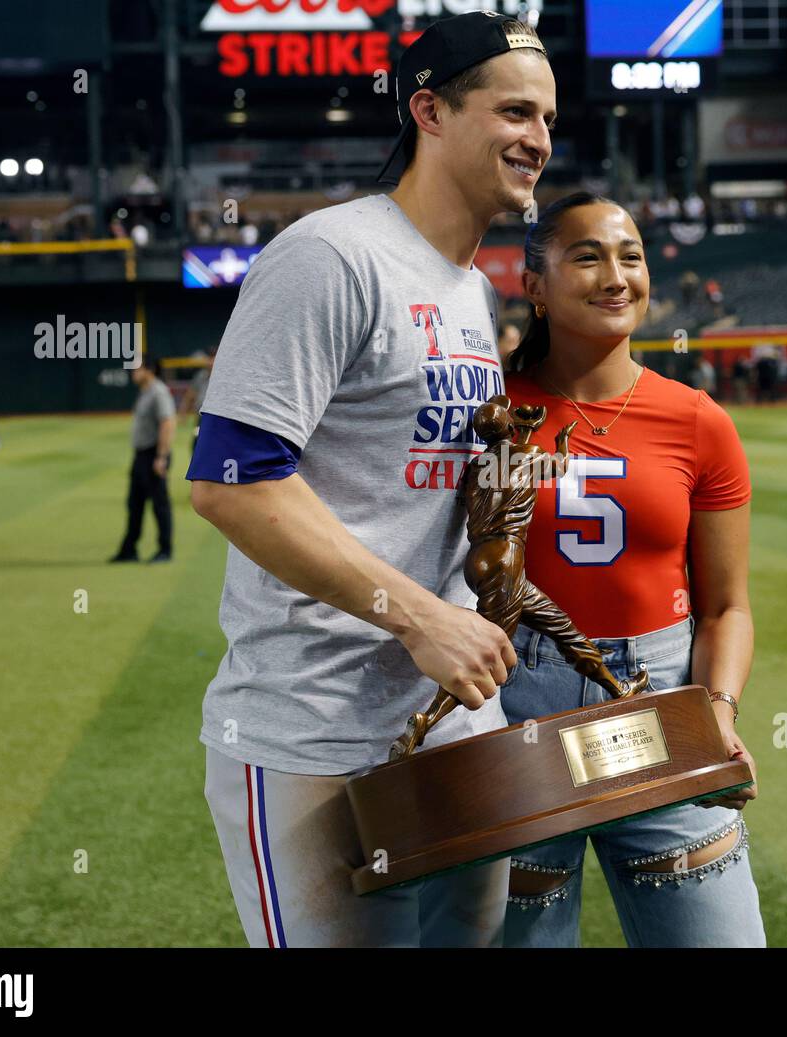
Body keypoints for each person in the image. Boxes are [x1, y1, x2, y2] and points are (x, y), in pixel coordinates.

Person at [185, 12, 555, 948]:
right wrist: (421, 617)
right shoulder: (330, 256)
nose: (540, 140)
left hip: (452, 722)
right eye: (515, 111)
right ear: (429, 110)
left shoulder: (471, 287)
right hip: (314, 729)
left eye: (548, 119)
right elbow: (234, 482)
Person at [500, 191, 765, 947]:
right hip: (513, 707)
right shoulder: (491, 413)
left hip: (660, 706)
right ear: (536, 285)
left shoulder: (698, 419)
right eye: (588, 256)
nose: (616, 275)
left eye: (631, 256)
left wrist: (716, 712)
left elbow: (725, 609)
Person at [109, 357, 175, 563]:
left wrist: (161, 457)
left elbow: (167, 423)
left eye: (136, 368)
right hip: (141, 456)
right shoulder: (145, 392)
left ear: (149, 370)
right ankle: (129, 549)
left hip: (153, 455)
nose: (132, 372)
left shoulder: (158, 392)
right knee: (134, 503)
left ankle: (165, 550)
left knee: (159, 504)